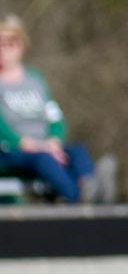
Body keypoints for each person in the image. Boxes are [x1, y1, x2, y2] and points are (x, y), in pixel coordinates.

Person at [0, 14, 113, 204]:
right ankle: (78, 199)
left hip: (44, 147)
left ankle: (91, 185)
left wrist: (54, 141)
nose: (4, 49)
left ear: (22, 45)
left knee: (77, 151)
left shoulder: (35, 79)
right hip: (11, 152)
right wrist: (33, 145)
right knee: (44, 159)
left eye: (10, 42)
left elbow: (54, 116)